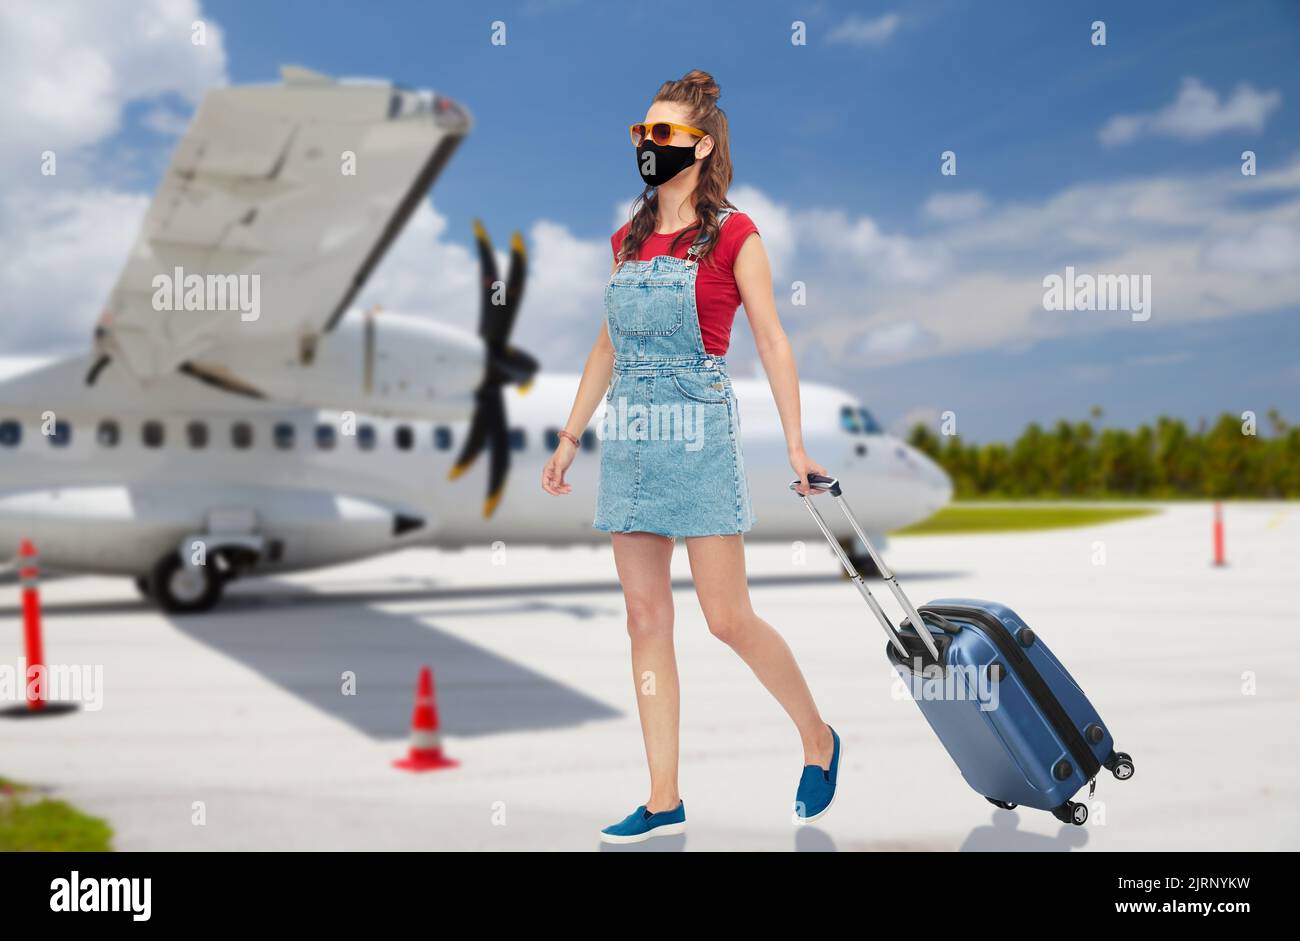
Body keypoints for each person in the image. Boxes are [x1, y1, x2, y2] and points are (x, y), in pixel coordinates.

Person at [541, 69, 838, 844]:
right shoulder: (626, 239)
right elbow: (607, 343)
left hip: (698, 430)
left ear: (701, 146)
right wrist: (571, 436)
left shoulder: (737, 235)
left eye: (663, 135)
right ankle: (664, 797)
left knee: (727, 619)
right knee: (645, 620)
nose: (648, 146)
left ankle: (818, 737)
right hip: (634, 433)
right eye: (642, 134)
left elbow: (772, 339)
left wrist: (798, 444)